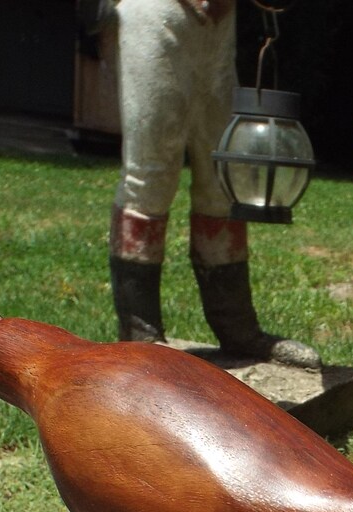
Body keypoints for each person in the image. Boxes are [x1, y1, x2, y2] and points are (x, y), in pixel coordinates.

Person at [107, 0, 318, 367]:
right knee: (151, 173)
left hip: (218, 21)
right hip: (159, 12)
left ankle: (236, 327)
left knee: (224, 174)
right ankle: (141, 334)